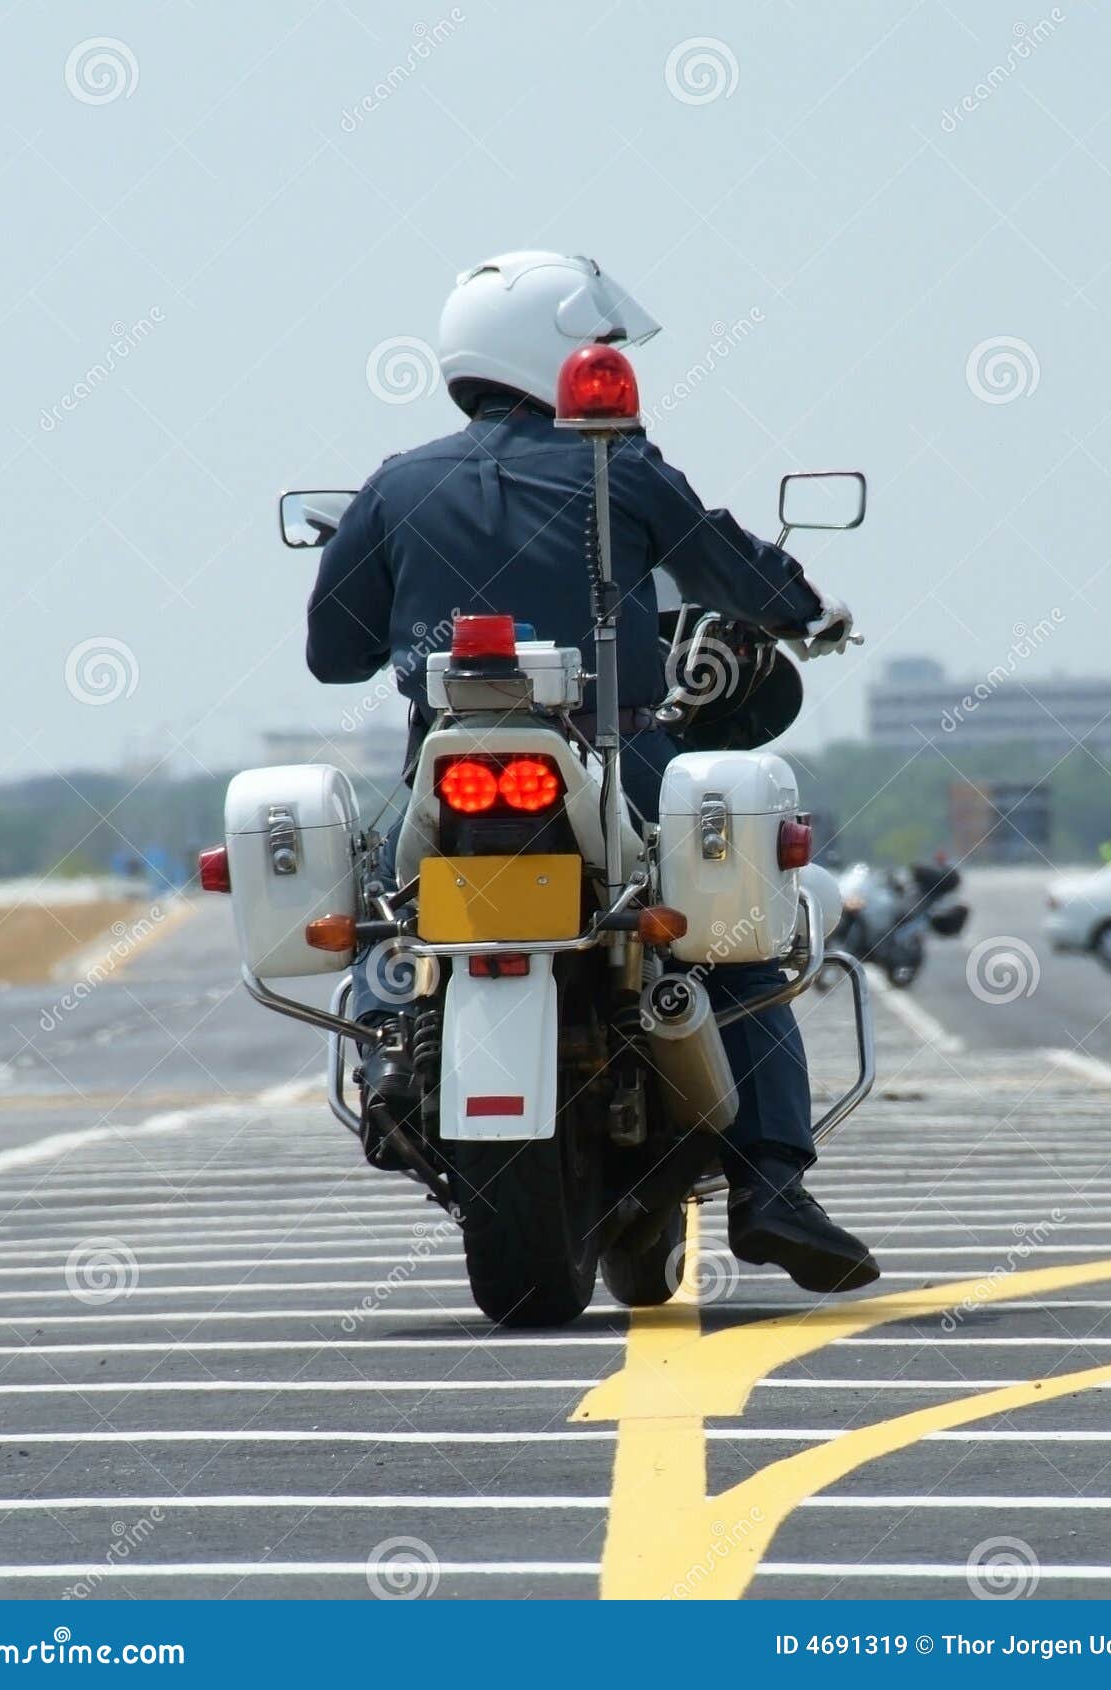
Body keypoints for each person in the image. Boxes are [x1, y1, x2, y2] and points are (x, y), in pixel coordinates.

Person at [306, 251, 878, 1294]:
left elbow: (332, 655)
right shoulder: (617, 466)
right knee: (738, 941)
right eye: (598, 341)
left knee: (390, 930)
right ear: (554, 350)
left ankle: (395, 1061)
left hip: (444, 767)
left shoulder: (394, 483)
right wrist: (808, 613)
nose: (609, 357)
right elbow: (726, 564)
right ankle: (771, 1189)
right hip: (613, 748)